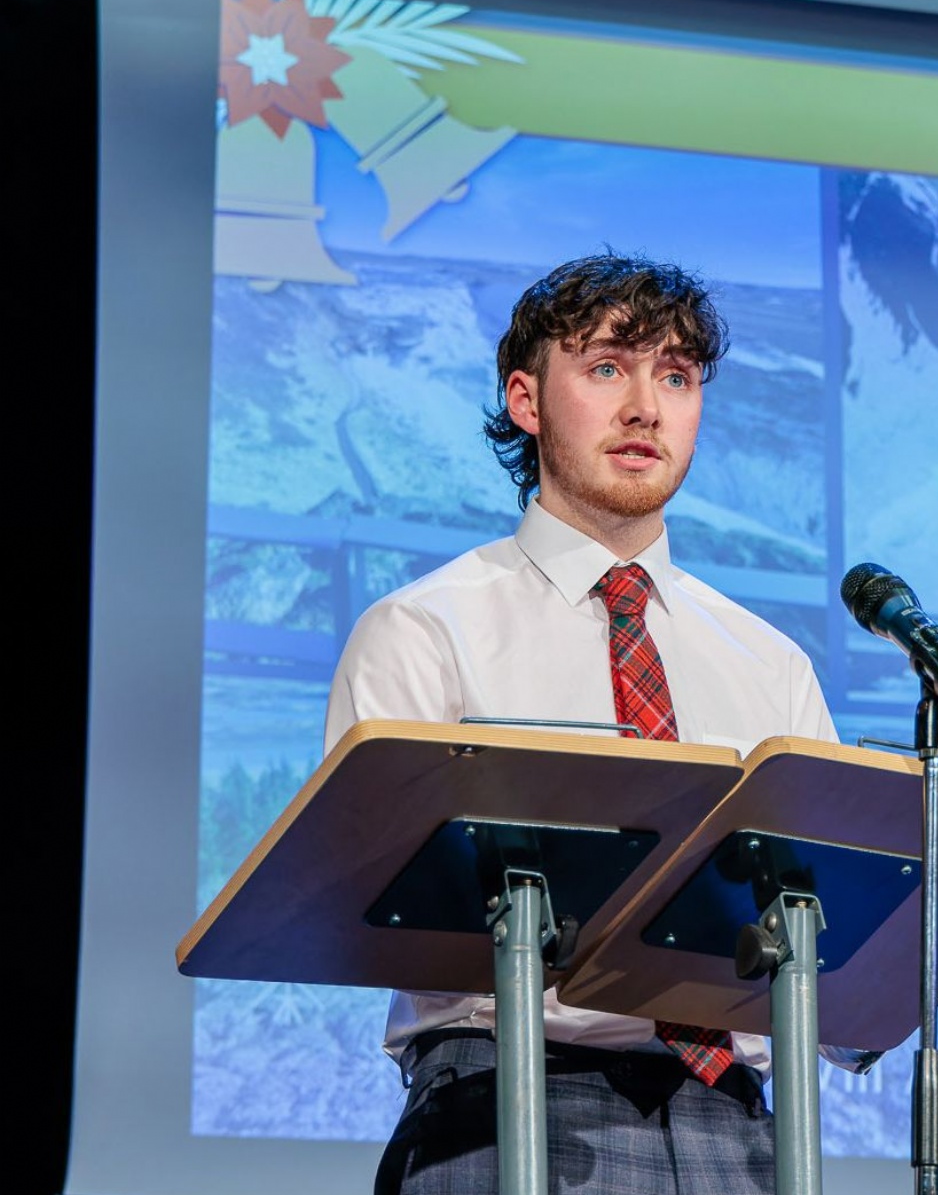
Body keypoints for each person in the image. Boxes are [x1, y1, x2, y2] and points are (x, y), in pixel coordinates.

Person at [324, 251, 840, 1193]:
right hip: (502, 1105)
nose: (646, 406)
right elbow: (383, 915)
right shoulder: (424, 629)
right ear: (526, 400)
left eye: (676, 377)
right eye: (608, 367)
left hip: (738, 1130)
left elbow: (835, 942)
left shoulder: (773, 665)